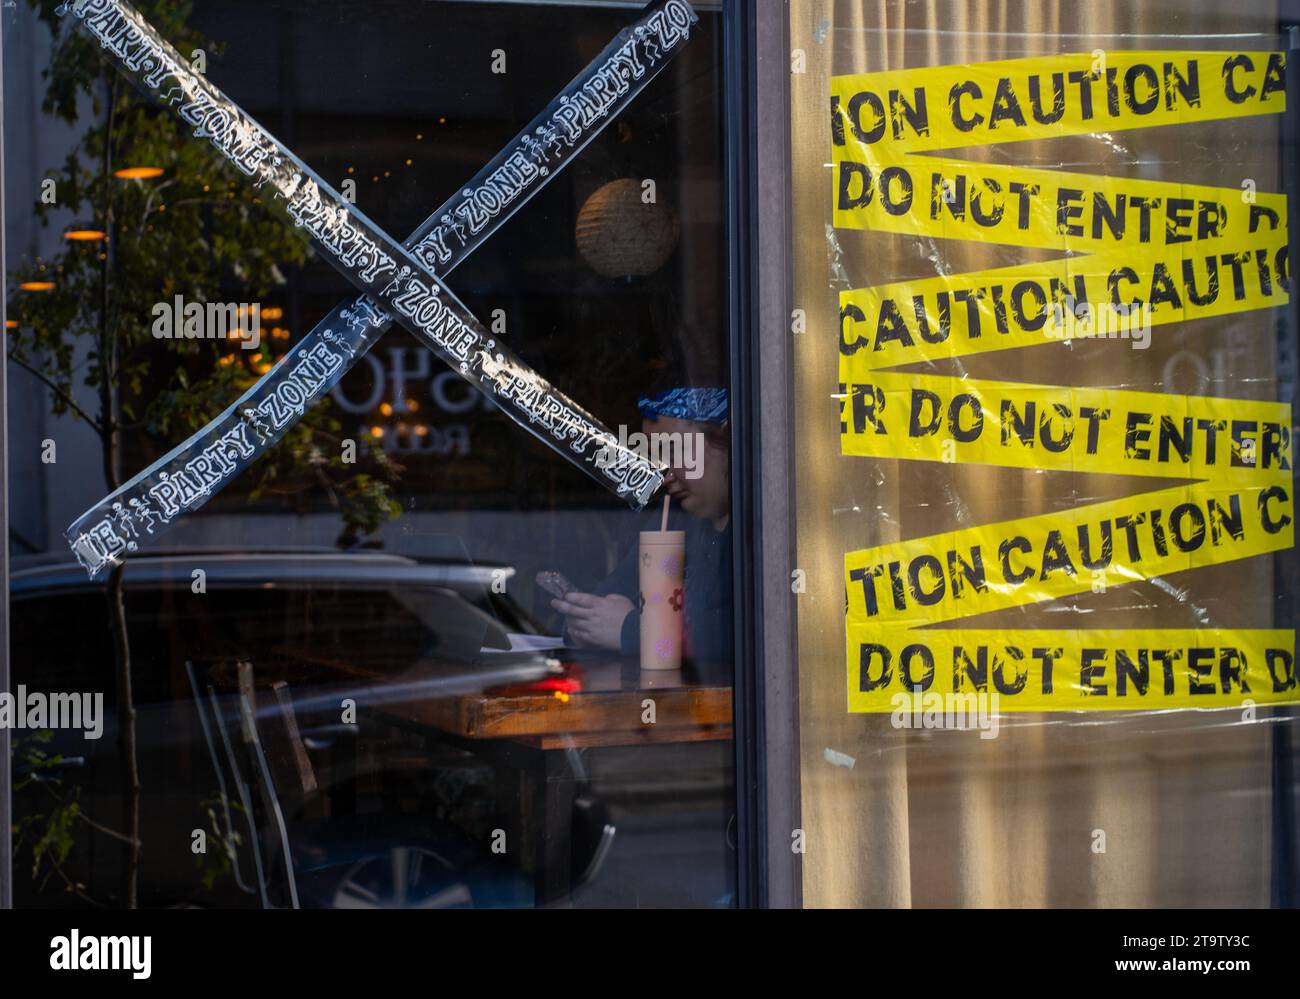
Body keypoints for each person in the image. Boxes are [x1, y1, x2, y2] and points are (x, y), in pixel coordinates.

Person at [552, 386, 733, 679]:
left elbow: (733, 639)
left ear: (723, 440)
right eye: (657, 456)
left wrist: (630, 631)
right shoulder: (675, 520)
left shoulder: (762, 530)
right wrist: (585, 621)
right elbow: (618, 589)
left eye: (675, 452)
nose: (665, 474)